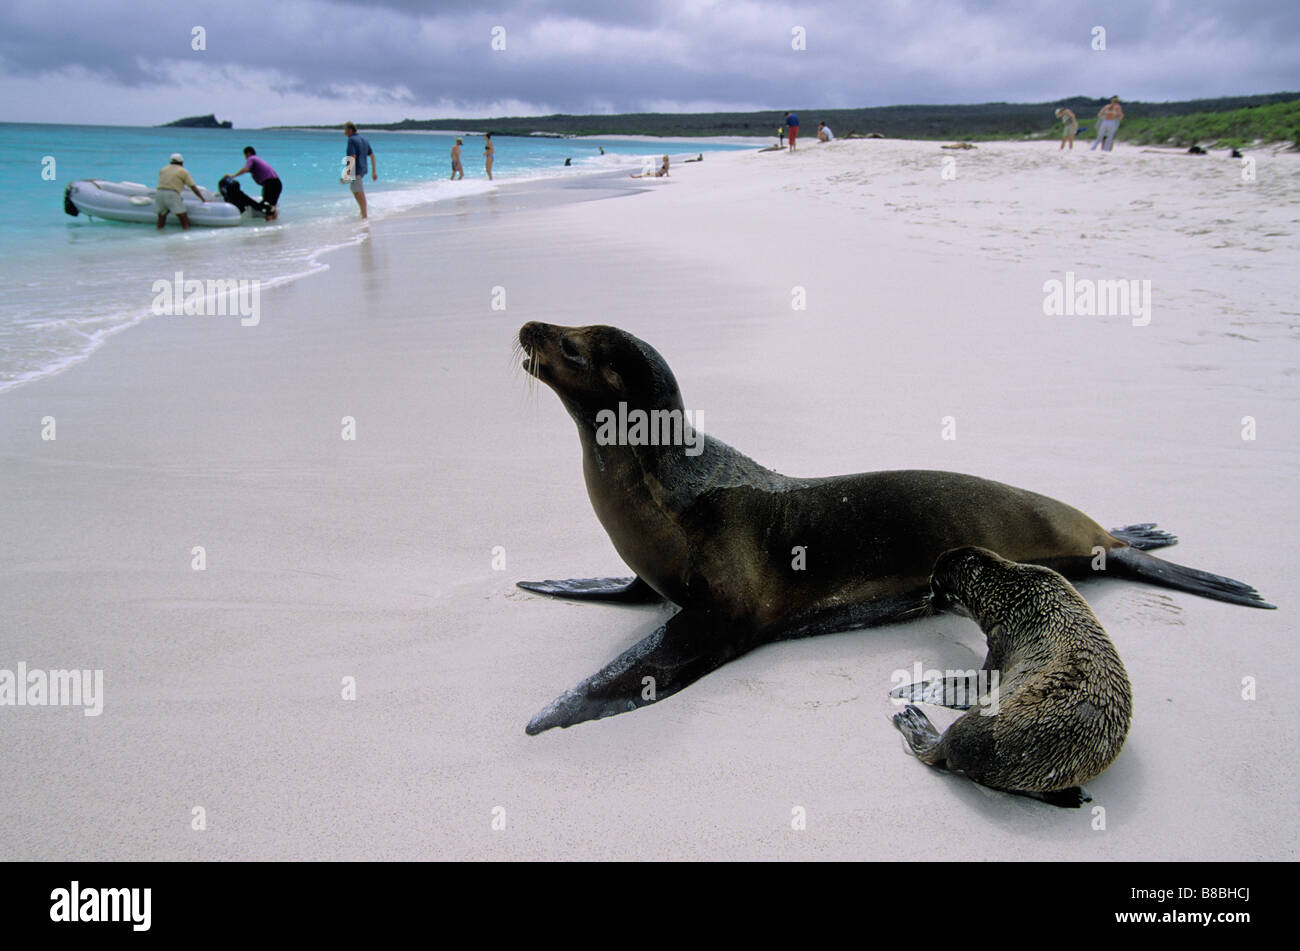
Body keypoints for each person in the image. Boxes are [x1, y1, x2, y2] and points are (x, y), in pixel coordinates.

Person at [154, 153, 206, 231]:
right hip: (171, 194)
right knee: (183, 217)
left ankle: (159, 233)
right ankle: (186, 234)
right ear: (181, 162)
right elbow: (192, 186)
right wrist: (202, 199)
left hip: (159, 193)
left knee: (161, 217)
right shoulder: (183, 171)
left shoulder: (163, 169)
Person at [228, 146, 281, 219]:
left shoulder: (251, 158)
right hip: (277, 183)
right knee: (272, 207)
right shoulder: (258, 160)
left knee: (267, 207)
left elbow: (246, 169)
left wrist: (233, 176)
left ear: (248, 153)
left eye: (245, 155)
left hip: (270, 183)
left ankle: (267, 226)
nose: (245, 158)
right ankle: (275, 228)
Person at [343, 121, 376, 218]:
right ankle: (363, 213)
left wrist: (348, 170)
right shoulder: (364, 139)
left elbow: (352, 156)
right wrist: (374, 171)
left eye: (345, 130)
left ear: (349, 130)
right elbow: (372, 155)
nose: (344, 133)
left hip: (356, 170)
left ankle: (364, 216)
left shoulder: (351, 140)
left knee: (358, 192)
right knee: (355, 190)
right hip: (363, 169)